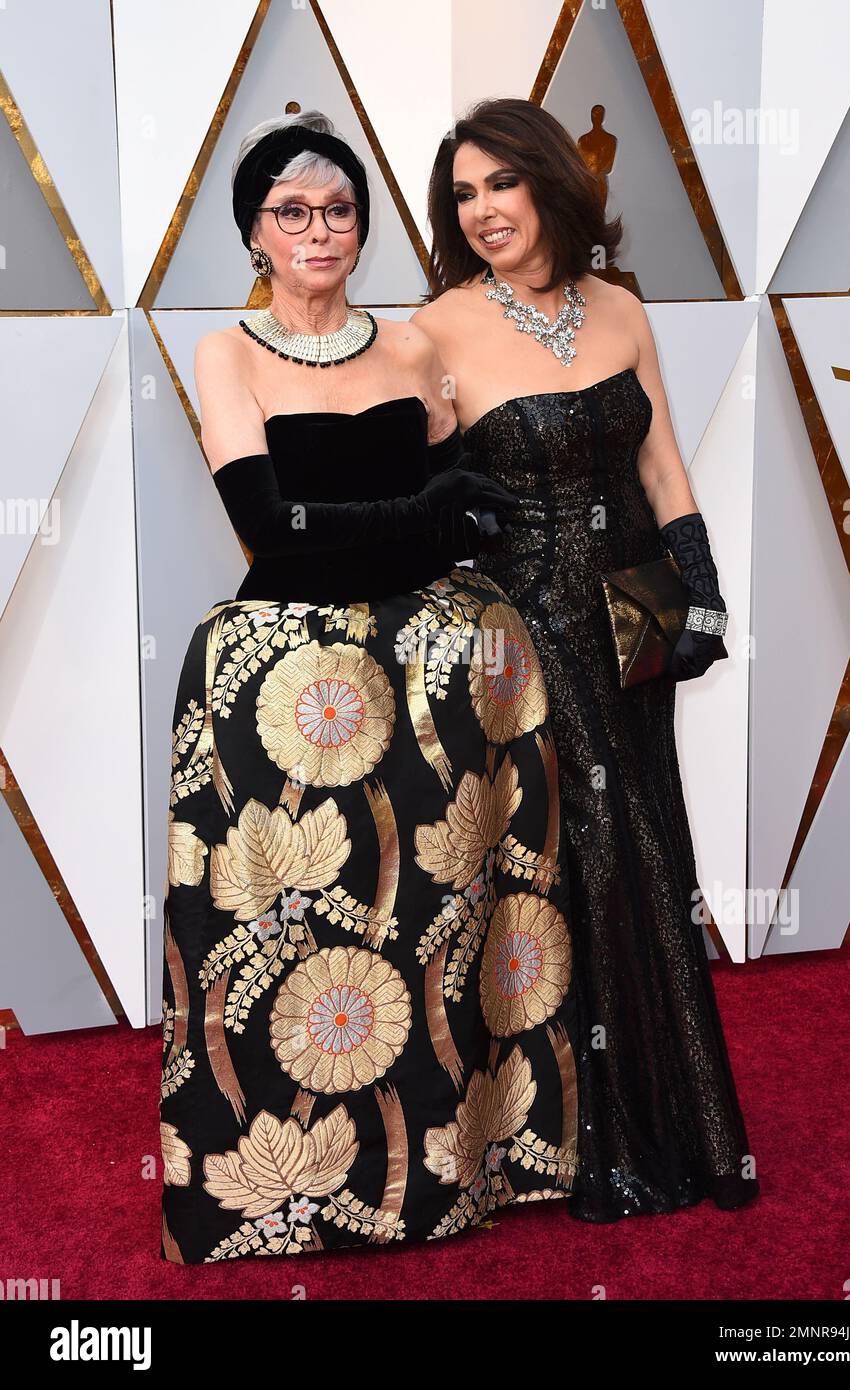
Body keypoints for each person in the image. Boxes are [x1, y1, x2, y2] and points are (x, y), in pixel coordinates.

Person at [158, 110, 580, 1264]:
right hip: (290, 676)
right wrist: (422, 517)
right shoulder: (226, 354)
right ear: (255, 230)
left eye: (339, 210)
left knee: (434, 924)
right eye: (291, 212)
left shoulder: (410, 350)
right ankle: (280, 1188)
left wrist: (452, 521)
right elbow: (270, 529)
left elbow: (467, 514)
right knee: (299, 935)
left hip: (434, 670)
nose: (319, 230)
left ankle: (458, 1165)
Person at [413, 97, 760, 1223]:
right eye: (462, 195)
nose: (481, 212)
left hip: (633, 614)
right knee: (605, 853)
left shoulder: (619, 305)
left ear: (549, 183)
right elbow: (421, 499)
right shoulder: (437, 329)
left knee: (657, 835)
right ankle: (607, 1143)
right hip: (529, 628)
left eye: (499, 185)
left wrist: (701, 593)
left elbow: (662, 464)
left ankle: (691, 1124)